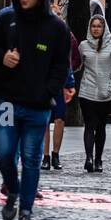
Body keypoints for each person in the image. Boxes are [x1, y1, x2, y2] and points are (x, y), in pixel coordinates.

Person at [0, 0, 70, 220]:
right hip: (8, 100)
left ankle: (26, 212)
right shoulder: (7, 19)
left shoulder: (56, 28)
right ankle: (14, 190)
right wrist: (3, 57)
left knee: (31, 159)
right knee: (4, 152)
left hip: (38, 106)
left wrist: (48, 93)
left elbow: (60, 66)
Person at [78, 15, 111, 173]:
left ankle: (98, 159)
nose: (96, 29)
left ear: (104, 29)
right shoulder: (83, 46)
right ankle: (89, 158)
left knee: (101, 127)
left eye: (99, 26)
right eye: (93, 26)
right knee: (89, 125)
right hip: (87, 92)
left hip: (106, 94)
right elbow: (78, 65)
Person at [43, 29, 78, 171]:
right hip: (43, 84)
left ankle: (55, 154)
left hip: (59, 84)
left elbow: (68, 61)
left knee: (59, 119)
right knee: (44, 121)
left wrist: (70, 83)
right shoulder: (40, 31)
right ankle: (45, 157)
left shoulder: (65, 34)